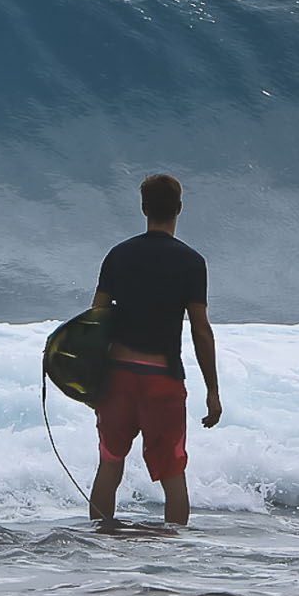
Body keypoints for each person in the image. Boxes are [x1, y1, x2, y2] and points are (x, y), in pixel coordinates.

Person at [89, 172, 221, 527]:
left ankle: (96, 551)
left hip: (117, 379)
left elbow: (95, 320)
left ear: (144, 208)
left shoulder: (118, 255)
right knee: (173, 477)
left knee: (109, 466)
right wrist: (212, 390)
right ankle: (174, 563)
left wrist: (90, 379)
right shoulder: (191, 262)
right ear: (179, 209)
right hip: (161, 382)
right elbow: (200, 330)